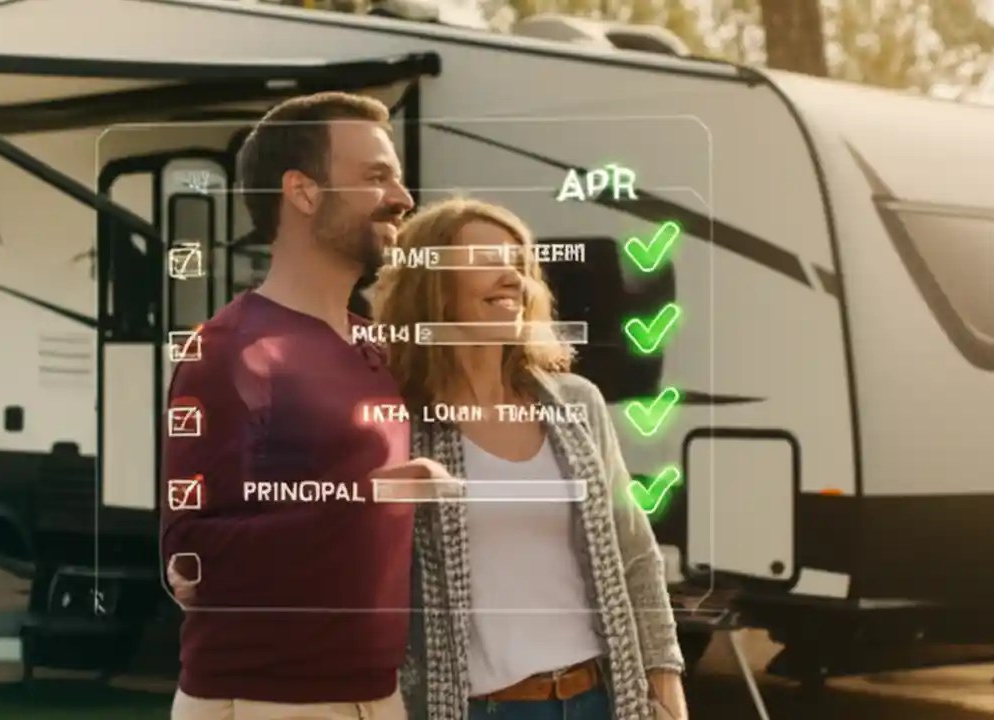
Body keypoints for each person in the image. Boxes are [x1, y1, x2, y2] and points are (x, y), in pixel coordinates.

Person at [160, 92, 456, 720]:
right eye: (376, 177)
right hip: (265, 700)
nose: (402, 198)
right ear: (302, 192)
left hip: (378, 695)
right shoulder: (231, 351)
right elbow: (189, 557)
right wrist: (371, 498)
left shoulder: (374, 347)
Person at [372, 198, 690, 720]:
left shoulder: (576, 403)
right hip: (481, 708)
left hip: (600, 699)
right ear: (431, 288)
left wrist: (666, 683)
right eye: (484, 263)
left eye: (518, 265)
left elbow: (635, 551)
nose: (511, 280)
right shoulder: (398, 420)